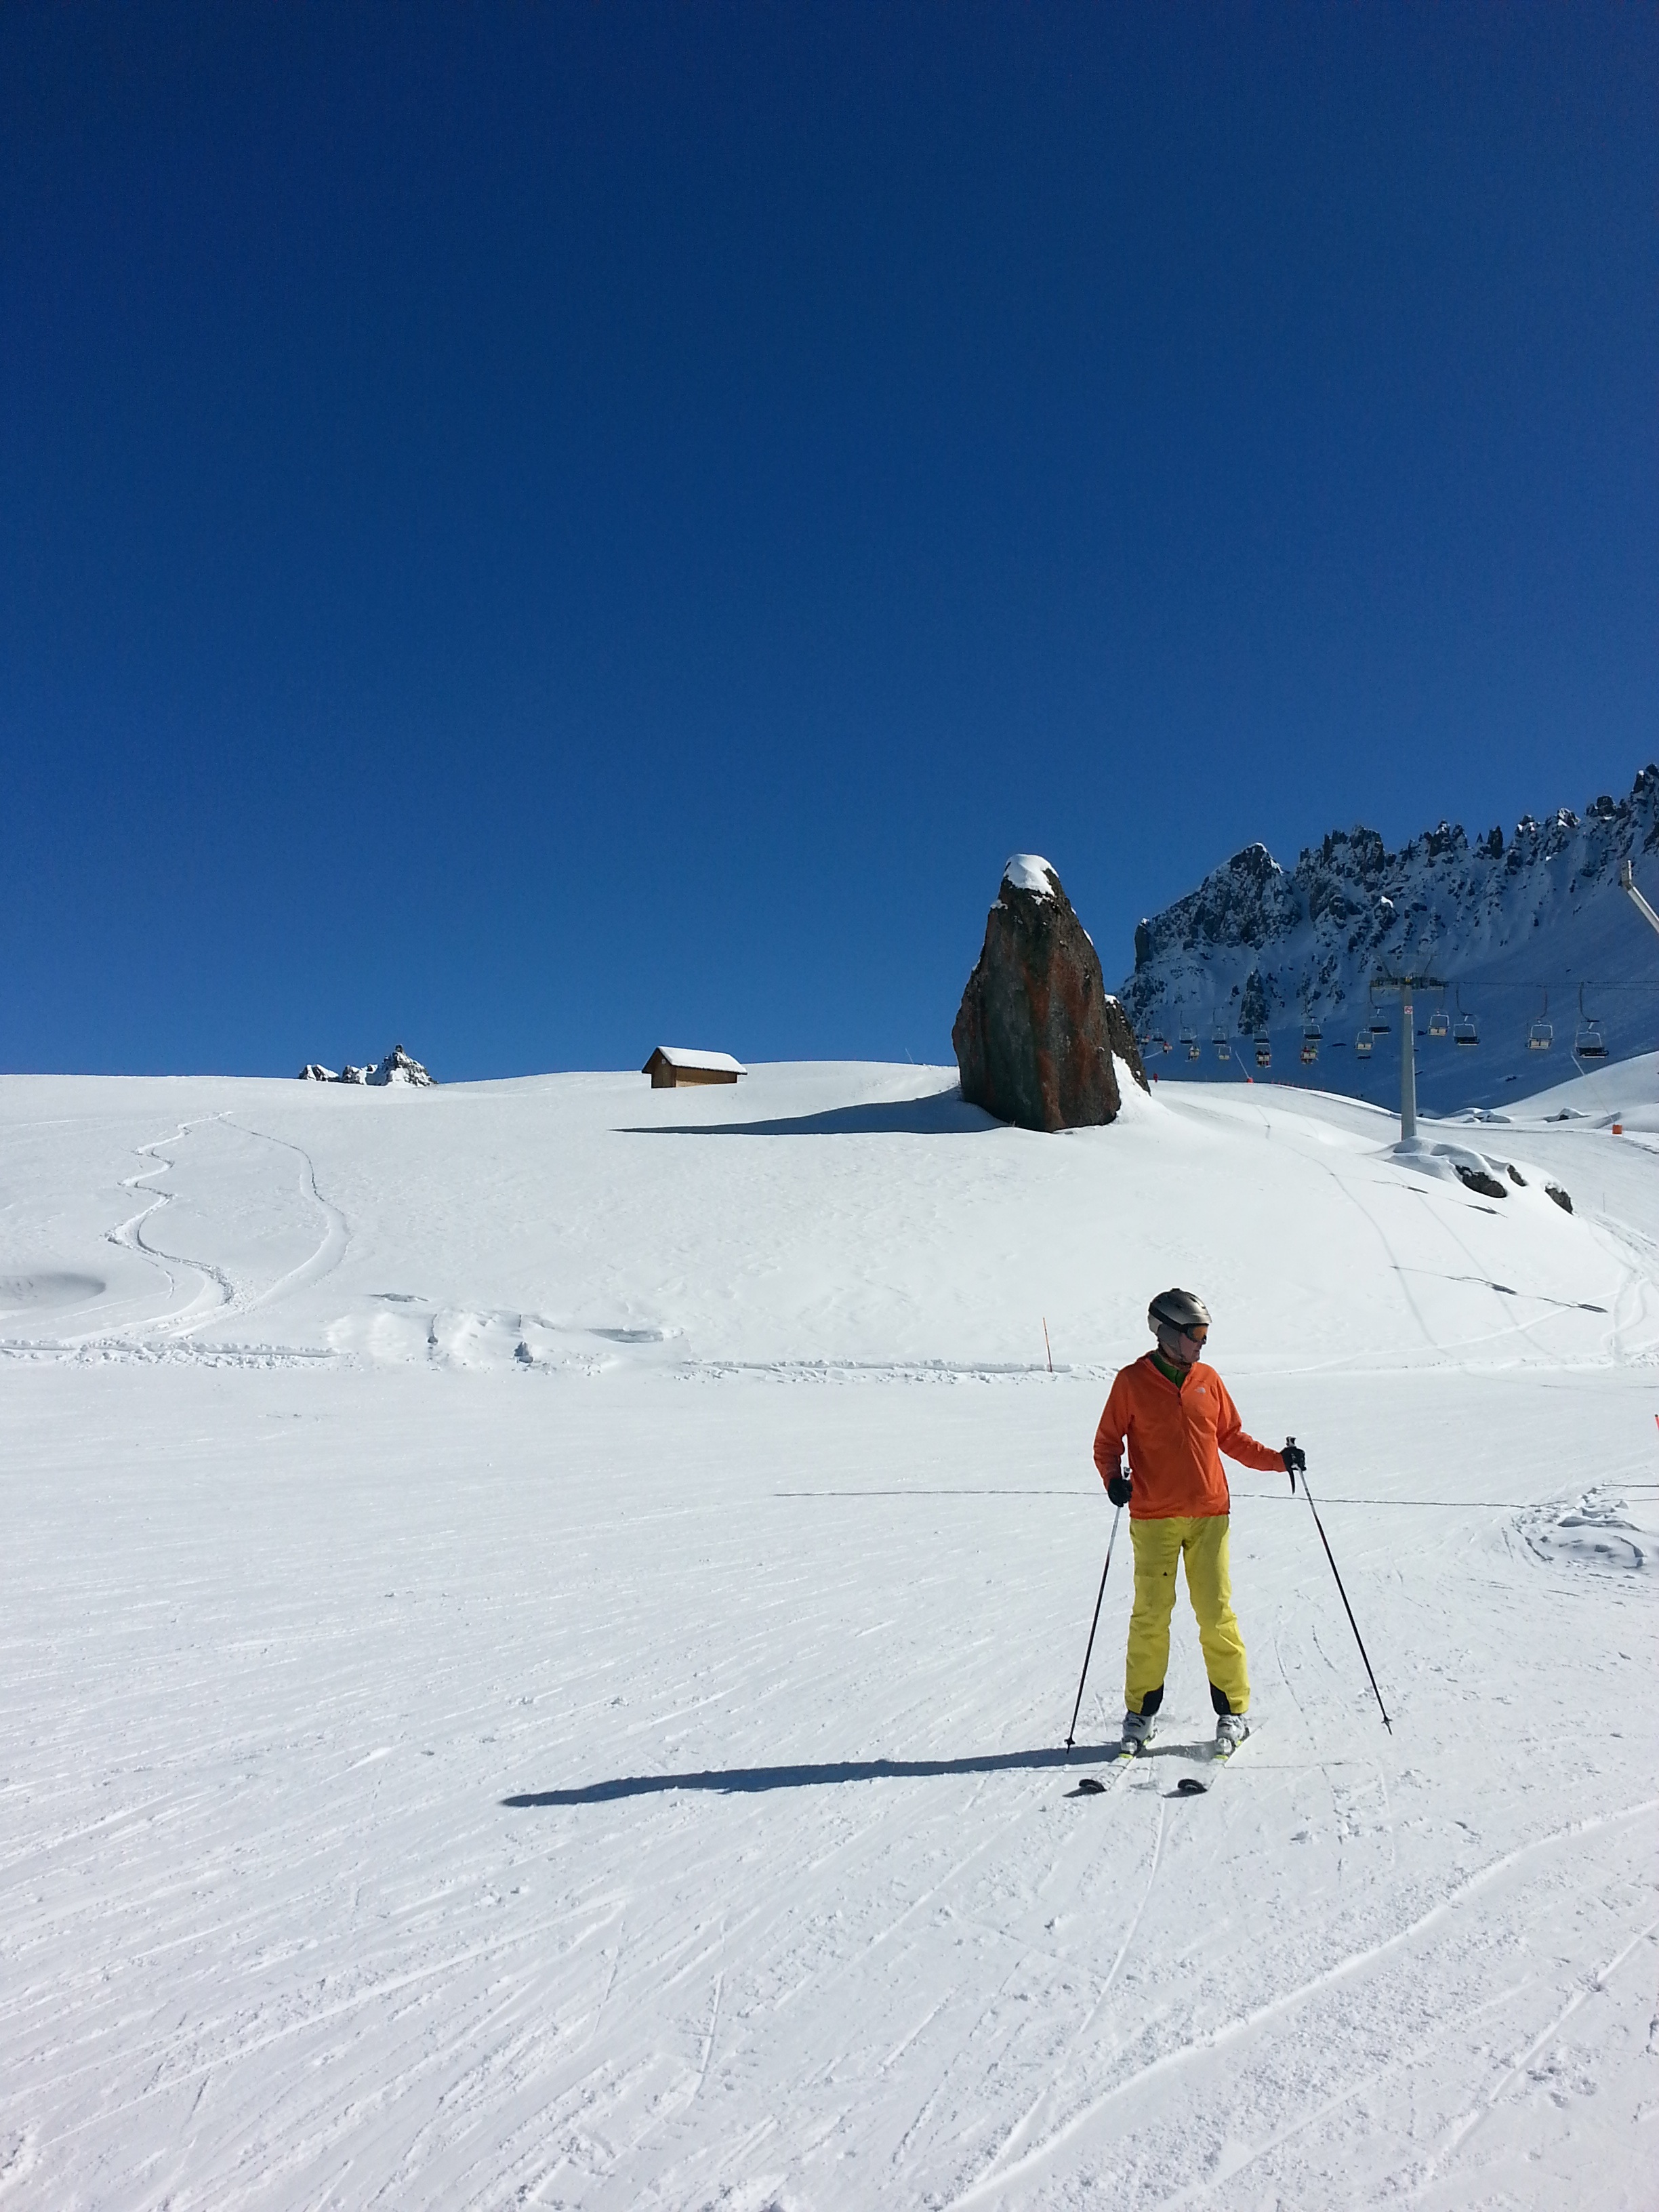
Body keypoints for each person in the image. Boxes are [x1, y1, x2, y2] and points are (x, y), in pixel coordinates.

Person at [1091, 1288, 1305, 1755]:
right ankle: (1141, 1713)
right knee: (1150, 1616)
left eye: (1206, 1334)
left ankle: (1233, 1711)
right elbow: (1108, 1443)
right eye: (1196, 1334)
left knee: (1216, 1614)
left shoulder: (1209, 1379)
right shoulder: (1131, 1382)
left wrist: (1279, 1460)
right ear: (1166, 1332)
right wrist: (1113, 1480)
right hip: (1154, 1518)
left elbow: (1230, 1437)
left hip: (1210, 1515)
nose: (1203, 1344)